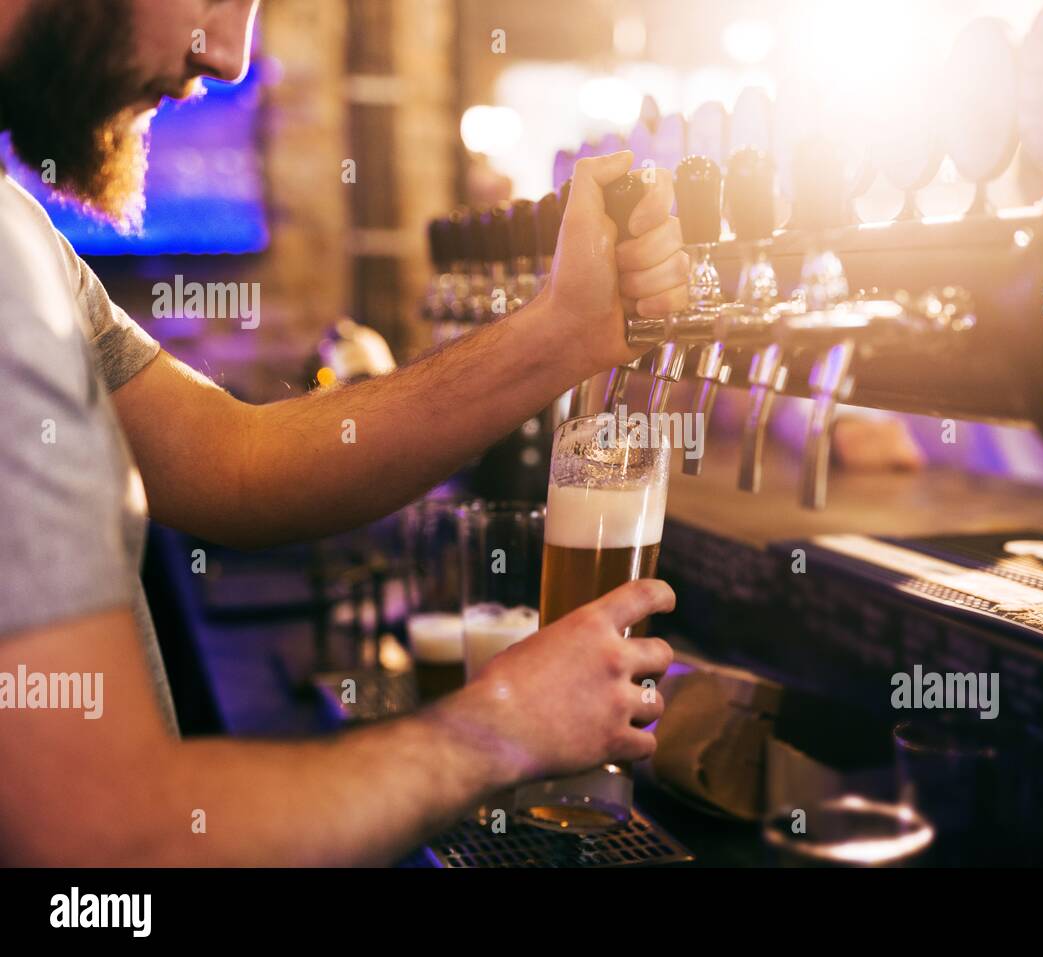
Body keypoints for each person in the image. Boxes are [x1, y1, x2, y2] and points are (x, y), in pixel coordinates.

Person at [0, 0, 687, 865]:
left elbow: (234, 462)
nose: (232, 57)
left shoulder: (19, 232)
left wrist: (567, 331)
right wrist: (501, 727)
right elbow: (108, 838)